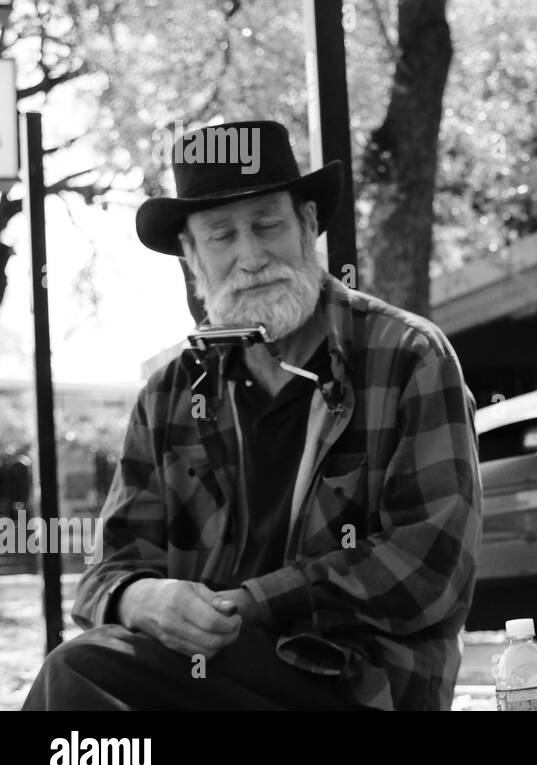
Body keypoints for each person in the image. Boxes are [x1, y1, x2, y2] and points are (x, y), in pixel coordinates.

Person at [23, 120, 481, 711]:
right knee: (86, 677)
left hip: (355, 683)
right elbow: (108, 571)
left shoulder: (408, 355)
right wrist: (140, 599)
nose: (252, 257)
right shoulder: (169, 392)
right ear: (191, 257)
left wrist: (248, 605)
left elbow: (429, 568)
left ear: (308, 225)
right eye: (221, 237)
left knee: (79, 671)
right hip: (203, 676)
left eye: (267, 226)